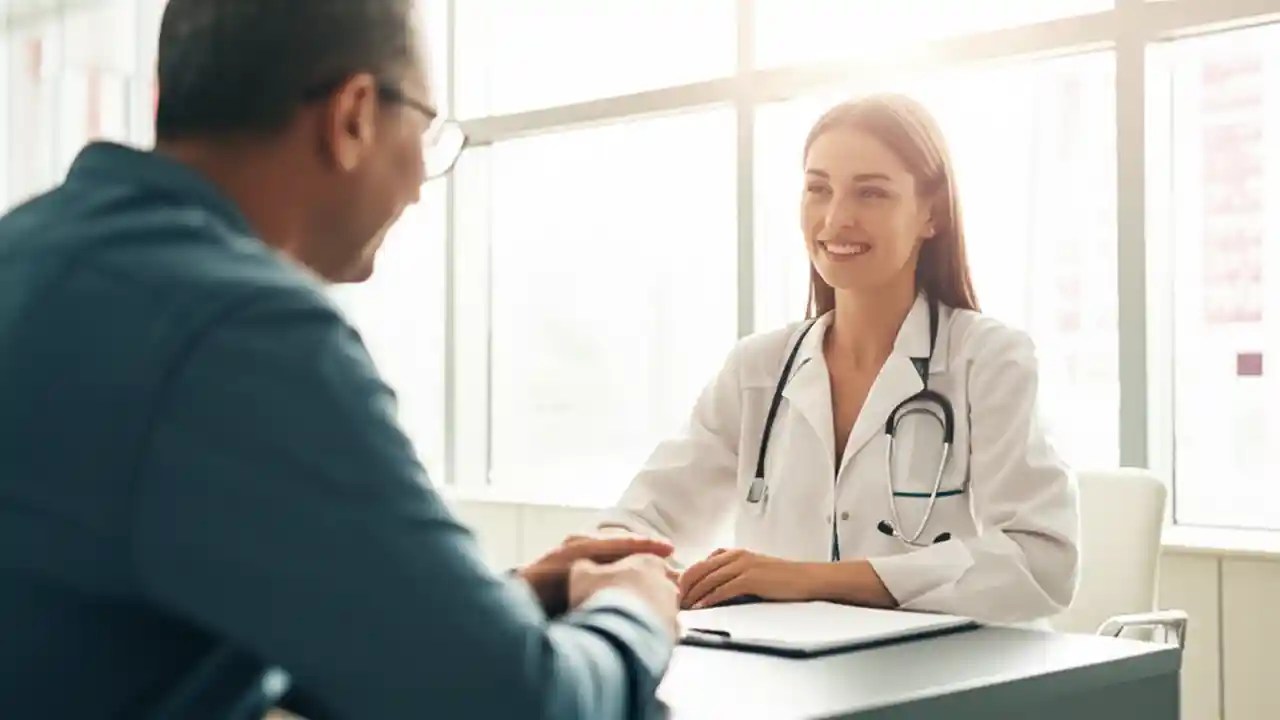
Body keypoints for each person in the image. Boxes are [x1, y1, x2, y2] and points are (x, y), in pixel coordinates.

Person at [0, 1, 679, 718]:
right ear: (353, 114)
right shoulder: (241, 329)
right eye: (427, 129)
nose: (421, 182)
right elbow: (515, 704)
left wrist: (495, 602)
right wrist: (633, 613)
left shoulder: (32, 254)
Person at [596, 94, 1080, 626]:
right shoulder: (757, 369)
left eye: (871, 193)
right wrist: (631, 569)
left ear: (931, 214)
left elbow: (1041, 564)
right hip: (781, 681)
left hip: (937, 683)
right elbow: (642, 521)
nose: (836, 218)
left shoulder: (987, 360)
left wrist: (809, 581)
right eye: (818, 189)